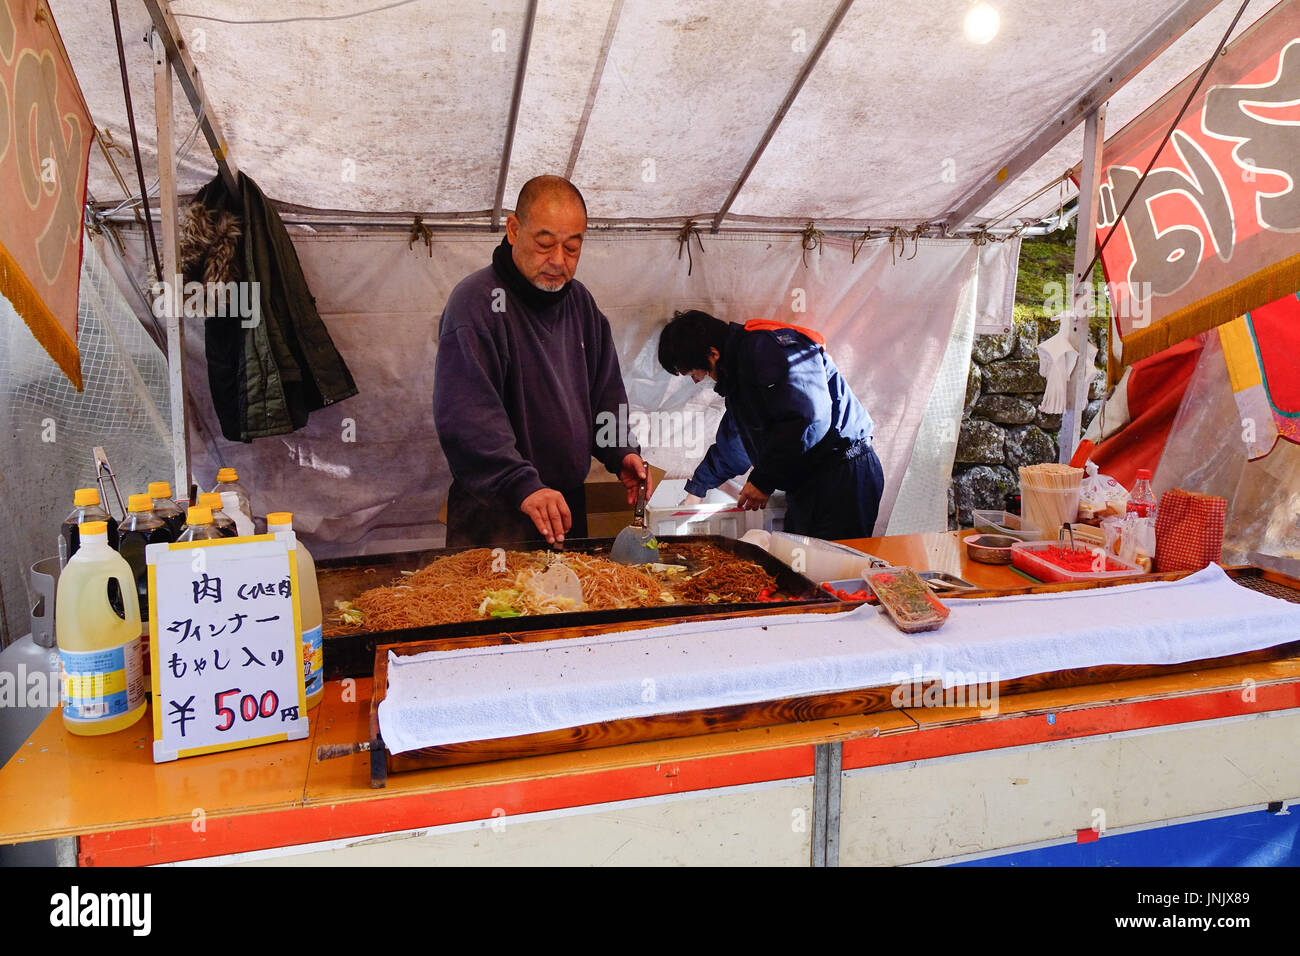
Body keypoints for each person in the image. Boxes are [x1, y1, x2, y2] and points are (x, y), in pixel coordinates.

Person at [434, 175, 650, 547]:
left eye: (571, 248)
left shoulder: (581, 303)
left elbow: (606, 393)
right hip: (497, 511)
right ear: (514, 230)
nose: (557, 261)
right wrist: (522, 484)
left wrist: (621, 451)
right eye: (545, 243)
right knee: (499, 605)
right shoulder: (476, 303)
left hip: (564, 508)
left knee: (567, 603)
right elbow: (468, 417)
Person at [657, 310, 883, 540]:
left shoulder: (765, 350)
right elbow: (736, 445)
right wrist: (697, 489)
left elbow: (808, 416)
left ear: (713, 354)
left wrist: (763, 480)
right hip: (808, 483)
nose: (697, 380)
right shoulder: (738, 379)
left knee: (831, 567)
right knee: (799, 567)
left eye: (696, 373)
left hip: (842, 473)